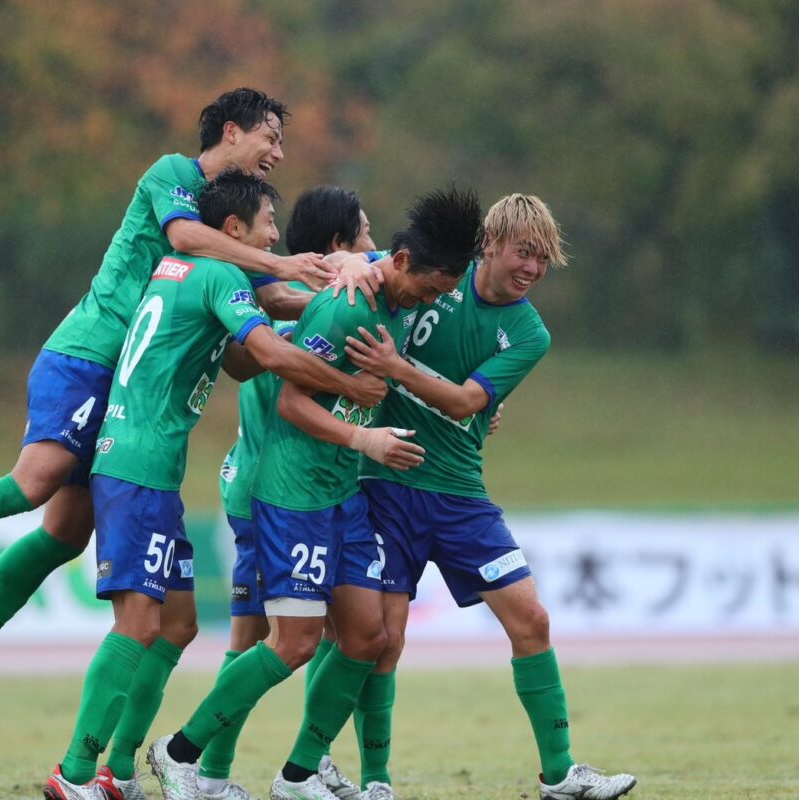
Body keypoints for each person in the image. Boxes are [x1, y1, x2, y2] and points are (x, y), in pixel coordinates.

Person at [0, 88, 380, 731]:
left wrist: (357, 272)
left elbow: (278, 299)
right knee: (33, 481)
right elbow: (189, 237)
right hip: (90, 354)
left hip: (132, 389)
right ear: (232, 132)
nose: (279, 152)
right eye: (271, 136)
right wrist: (282, 263)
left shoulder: (232, 239)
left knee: (66, 531)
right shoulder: (174, 176)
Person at [43, 170, 390, 800]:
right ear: (232, 229)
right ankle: (78, 773)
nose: (273, 239)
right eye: (265, 225)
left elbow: (242, 349)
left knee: (178, 625)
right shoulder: (224, 276)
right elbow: (272, 354)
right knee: (145, 627)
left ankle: (125, 772)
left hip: (157, 468)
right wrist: (353, 384)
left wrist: (328, 283)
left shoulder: (180, 269)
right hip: (153, 469)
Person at [146, 186, 484, 800]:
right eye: (430, 289)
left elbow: (388, 262)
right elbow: (293, 402)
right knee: (293, 643)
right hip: (293, 493)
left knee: (368, 637)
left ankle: (299, 774)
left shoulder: (392, 282)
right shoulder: (341, 307)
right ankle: (179, 751)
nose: (429, 304)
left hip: (340, 495)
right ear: (404, 265)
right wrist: (368, 442)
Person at [343, 194, 638, 800]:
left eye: (543, 260)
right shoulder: (435, 273)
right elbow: (364, 265)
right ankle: (372, 782)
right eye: (523, 253)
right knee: (382, 641)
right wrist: (346, 263)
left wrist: (398, 369)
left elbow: (467, 403)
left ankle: (560, 775)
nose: (532, 269)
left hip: (459, 495)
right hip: (387, 484)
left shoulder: (530, 332)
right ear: (491, 245)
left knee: (532, 619)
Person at [202, 185, 378, 800]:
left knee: (341, 633)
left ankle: (308, 758)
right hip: (267, 493)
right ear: (335, 245)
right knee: (266, 641)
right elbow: (246, 364)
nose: (374, 246)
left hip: (287, 488)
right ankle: (205, 768)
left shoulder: (318, 296)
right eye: (363, 235)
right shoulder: (291, 304)